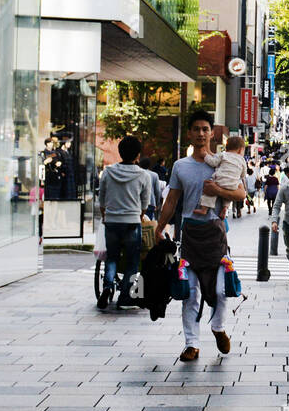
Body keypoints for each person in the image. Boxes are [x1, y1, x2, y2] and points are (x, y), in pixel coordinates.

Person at [155, 111, 248, 362]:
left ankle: (218, 328)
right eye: (195, 129)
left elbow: (241, 195)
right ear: (189, 133)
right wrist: (160, 226)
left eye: (205, 129)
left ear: (211, 133)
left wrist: (216, 189)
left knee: (220, 290)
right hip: (190, 234)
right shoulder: (180, 166)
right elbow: (172, 199)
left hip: (216, 233)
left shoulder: (226, 161)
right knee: (191, 292)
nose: (200, 133)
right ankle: (191, 344)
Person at [97, 136, 155, 310]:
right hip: (132, 221)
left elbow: (102, 198)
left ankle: (107, 286)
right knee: (132, 260)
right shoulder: (143, 175)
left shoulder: (108, 172)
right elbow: (145, 202)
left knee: (112, 257)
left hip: (112, 221)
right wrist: (140, 216)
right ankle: (125, 296)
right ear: (138, 155)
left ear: (120, 152)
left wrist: (105, 215)